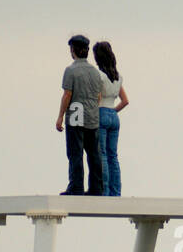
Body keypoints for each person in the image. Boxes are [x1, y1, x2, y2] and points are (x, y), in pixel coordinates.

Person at [55, 34, 105, 195]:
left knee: (75, 153)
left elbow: (67, 95)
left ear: (73, 50)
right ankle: (97, 187)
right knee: (94, 153)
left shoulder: (70, 70)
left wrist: (60, 116)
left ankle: (76, 186)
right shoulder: (95, 72)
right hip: (92, 116)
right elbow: (99, 96)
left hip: (76, 114)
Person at [92, 41, 128, 196]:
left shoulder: (99, 75)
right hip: (114, 116)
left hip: (101, 113)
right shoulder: (117, 76)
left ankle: (104, 190)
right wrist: (113, 111)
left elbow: (98, 98)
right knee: (113, 155)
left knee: (103, 154)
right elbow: (125, 101)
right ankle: (116, 191)